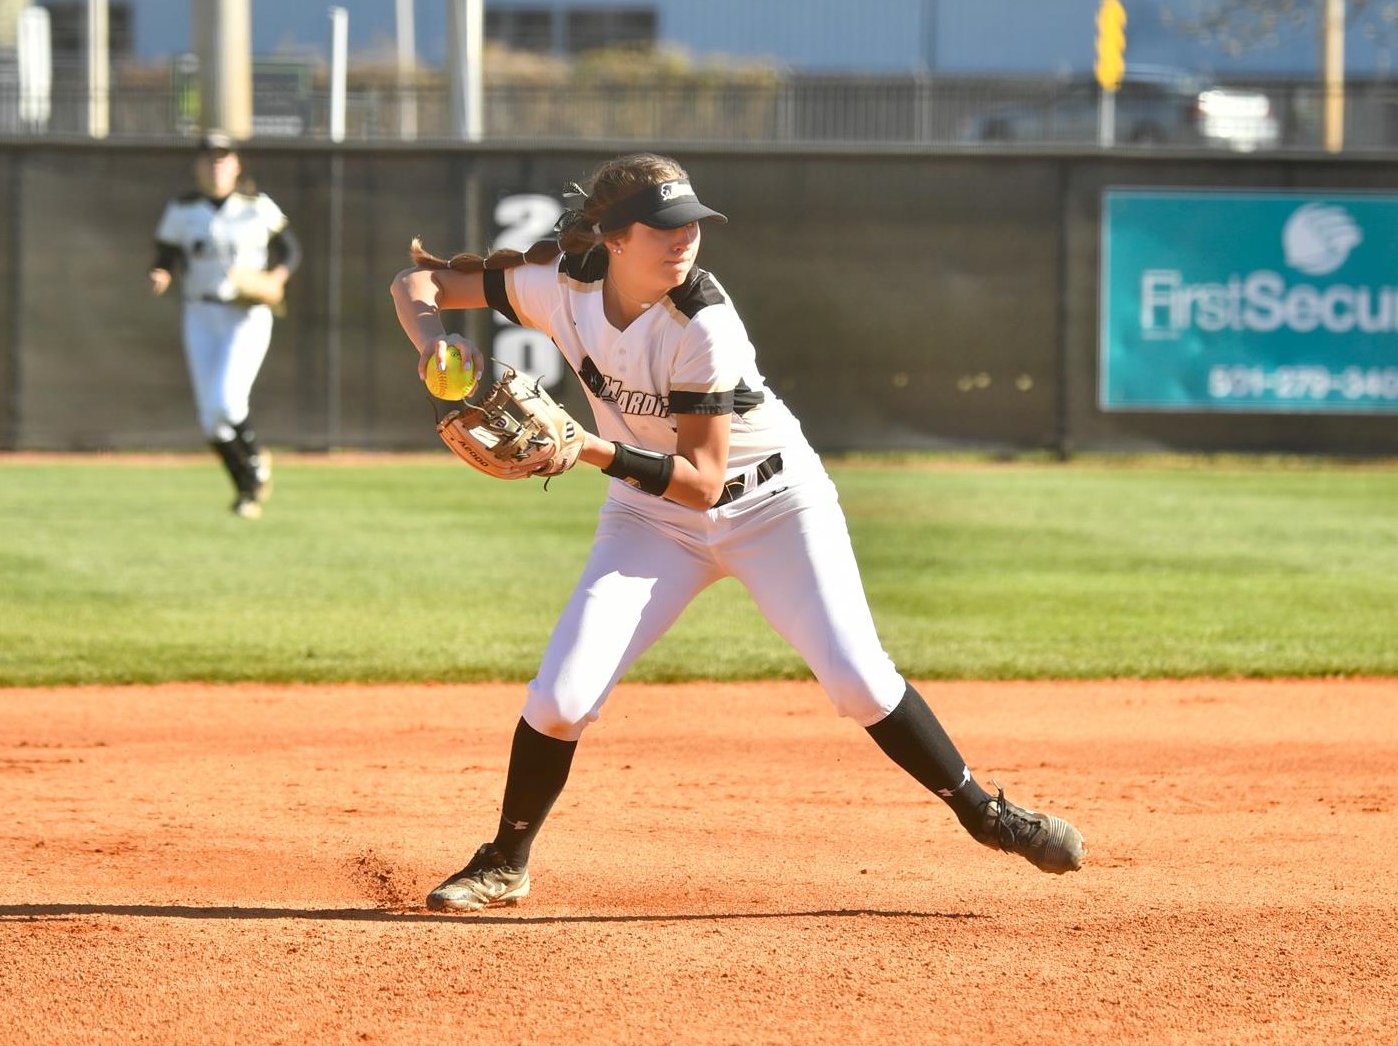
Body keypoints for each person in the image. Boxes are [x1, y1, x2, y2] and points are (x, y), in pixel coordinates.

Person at [389, 152, 1084, 912]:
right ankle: (505, 860)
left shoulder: (702, 323)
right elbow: (415, 284)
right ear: (616, 240)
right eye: (663, 227)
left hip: (774, 507)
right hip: (649, 519)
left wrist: (583, 447)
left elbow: (702, 481)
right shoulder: (563, 287)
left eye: (692, 224)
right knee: (558, 698)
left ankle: (984, 812)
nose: (684, 239)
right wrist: (433, 347)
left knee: (857, 678)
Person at [149, 131, 300, 519]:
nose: (216, 165)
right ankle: (247, 491)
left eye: (223, 158)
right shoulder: (182, 209)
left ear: (236, 165)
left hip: (245, 313)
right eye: (209, 158)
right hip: (200, 311)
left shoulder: (256, 205)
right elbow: (165, 253)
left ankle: (254, 463)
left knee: (226, 402)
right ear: (198, 165)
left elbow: (290, 249)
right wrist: (162, 273)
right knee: (210, 421)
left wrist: (276, 279)